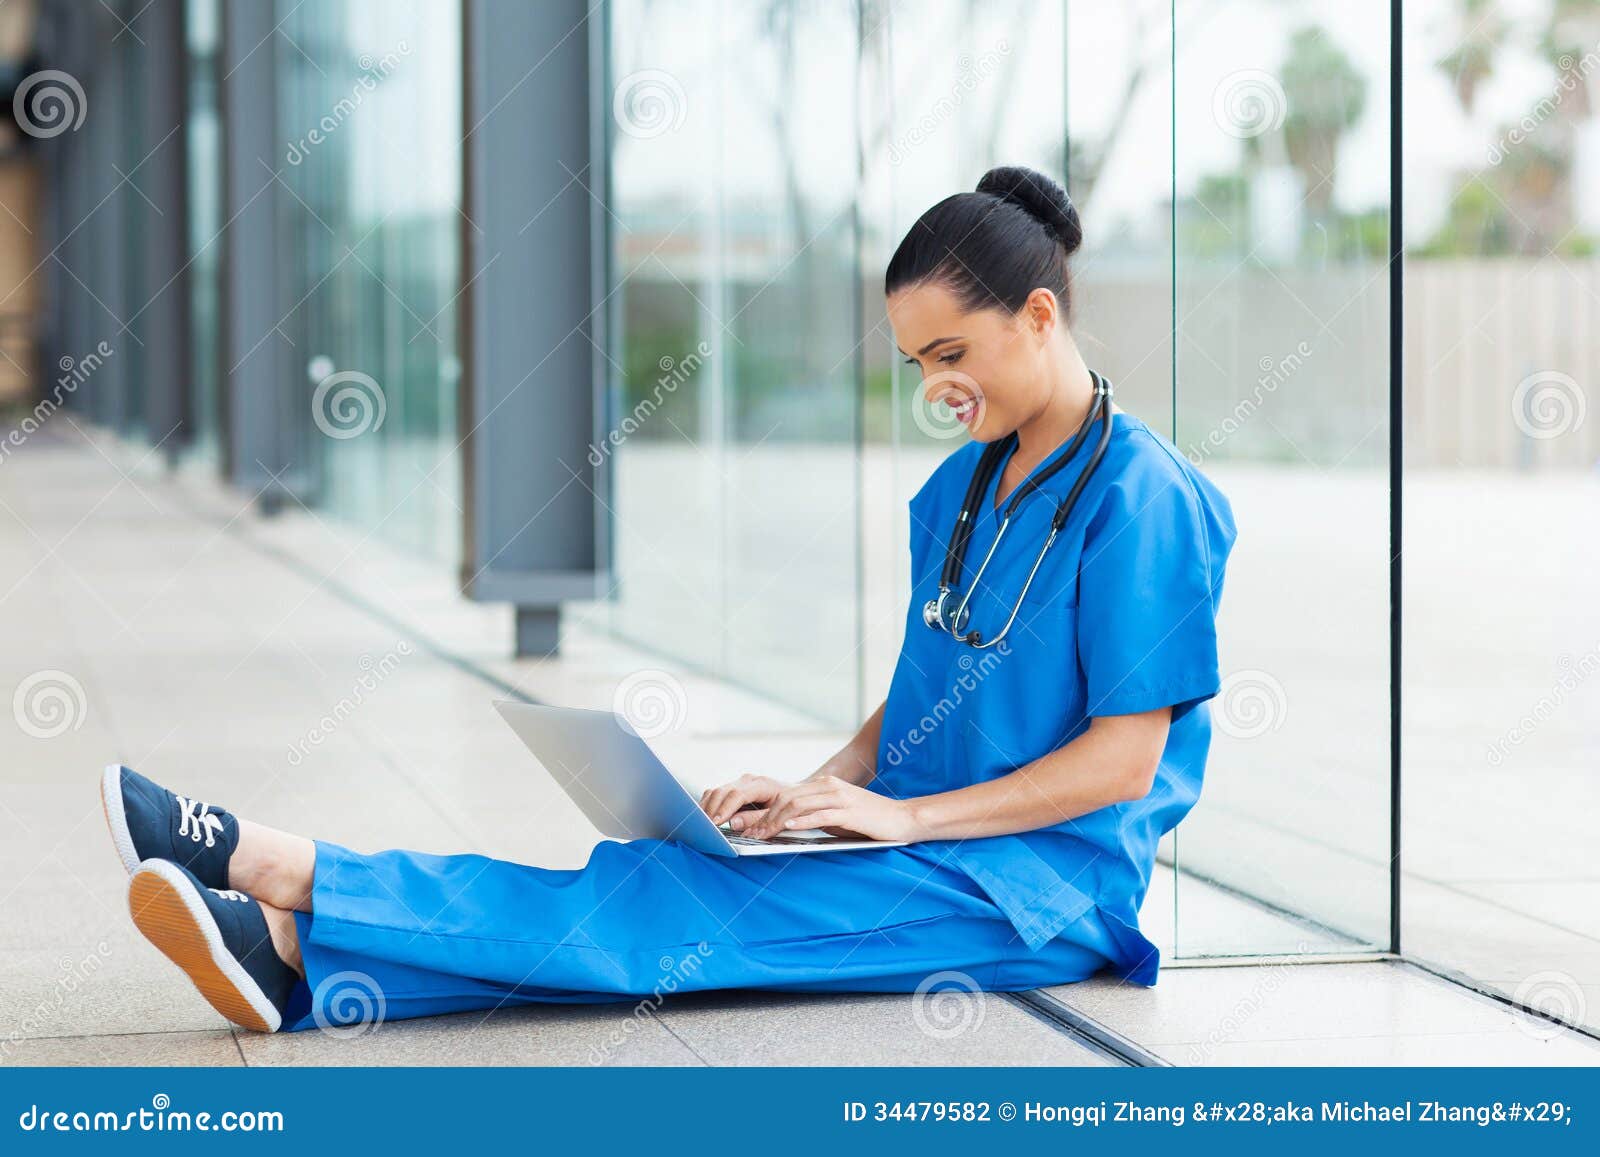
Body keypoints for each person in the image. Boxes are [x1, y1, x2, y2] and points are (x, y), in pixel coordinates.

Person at [102, 165, 1236, 1033]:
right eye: (916, 364)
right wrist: (813, 790)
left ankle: (278, 863)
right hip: (919, 844)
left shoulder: (1146, 499)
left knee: (680, 917)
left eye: (952, 352)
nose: (938, 388)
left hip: (1037, 887)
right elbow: (918, 698)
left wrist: (906, 818)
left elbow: (1123, 763)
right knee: (671, 879)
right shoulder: (960, 487)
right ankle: (305, 963)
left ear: (1040, 316)